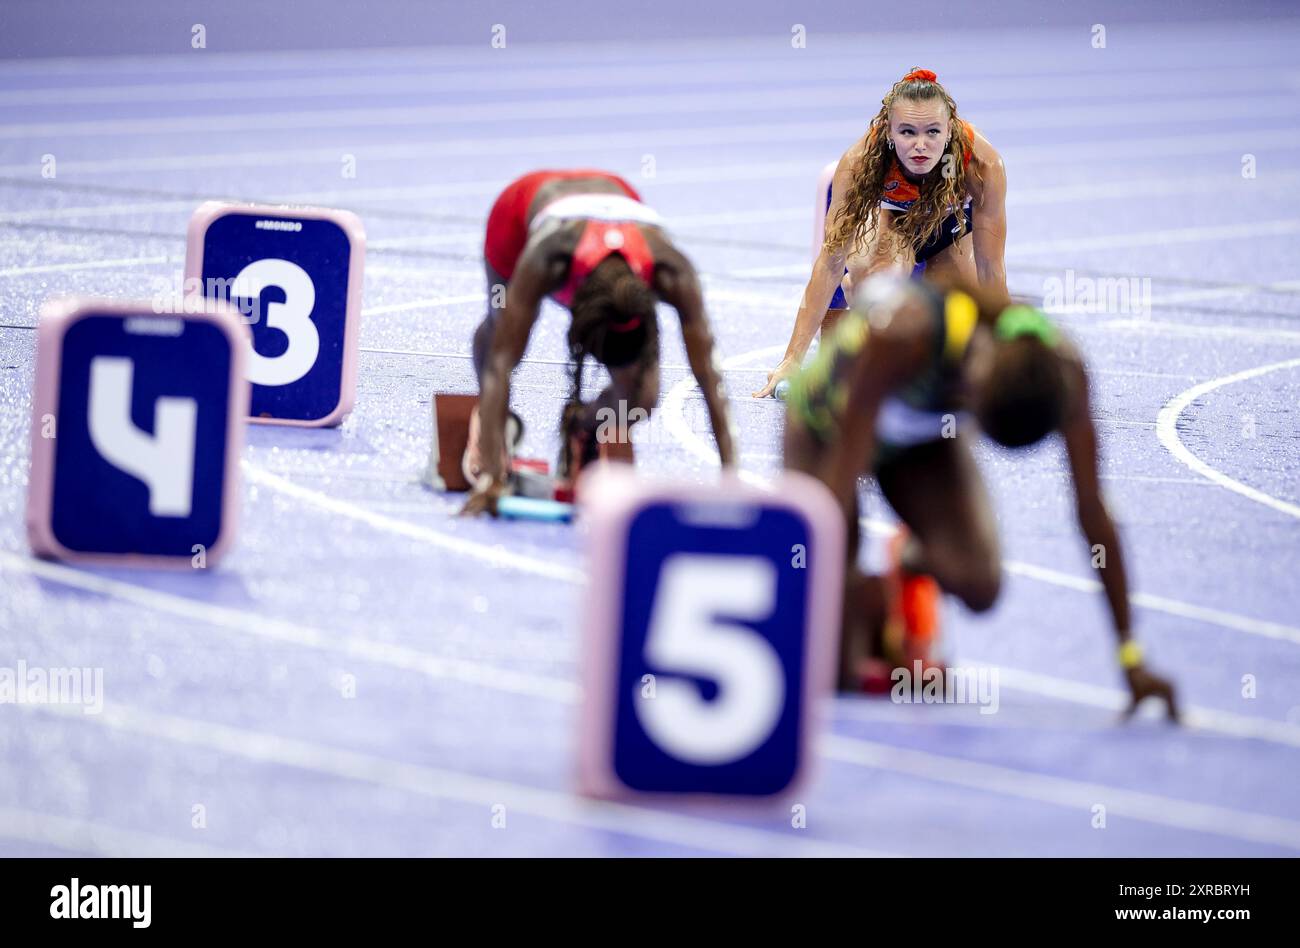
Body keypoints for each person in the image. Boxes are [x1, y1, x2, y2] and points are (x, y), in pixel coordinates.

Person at [782, 273, 1179, 718]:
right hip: (826, 430)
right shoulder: (906, 332)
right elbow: (837, 492)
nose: (962, 402)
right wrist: (825, 584)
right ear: (979, 362)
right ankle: (870, 605)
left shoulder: (1062, 373)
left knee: (980, 583)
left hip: (919, 443)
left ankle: (908, 562)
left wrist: (1130, 655)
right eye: (967, 401)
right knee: (837, 679)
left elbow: (1092, 511)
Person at [462, 169, 735, 515]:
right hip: (517, 213)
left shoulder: (672, 270)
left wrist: (732, 478)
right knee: (503, 330)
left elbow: (710, 375)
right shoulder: (547, 260)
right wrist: (490, 478)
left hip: (617, 194)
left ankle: (582, 425)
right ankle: (489, 422)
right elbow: (499, 363)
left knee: (642, 397)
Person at [755, 67, 1008, 399]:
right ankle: (857, 286)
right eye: (907, 132)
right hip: (892, 222)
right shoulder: (861, 162)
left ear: (950, 130)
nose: (921, 145)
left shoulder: (982, 167)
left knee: (952, 309)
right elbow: (830, 262)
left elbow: (991, 269)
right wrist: (793, 359)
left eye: (932, 132)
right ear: (888, 131)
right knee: (883, 283)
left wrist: (1004, 360)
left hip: (948, 226)